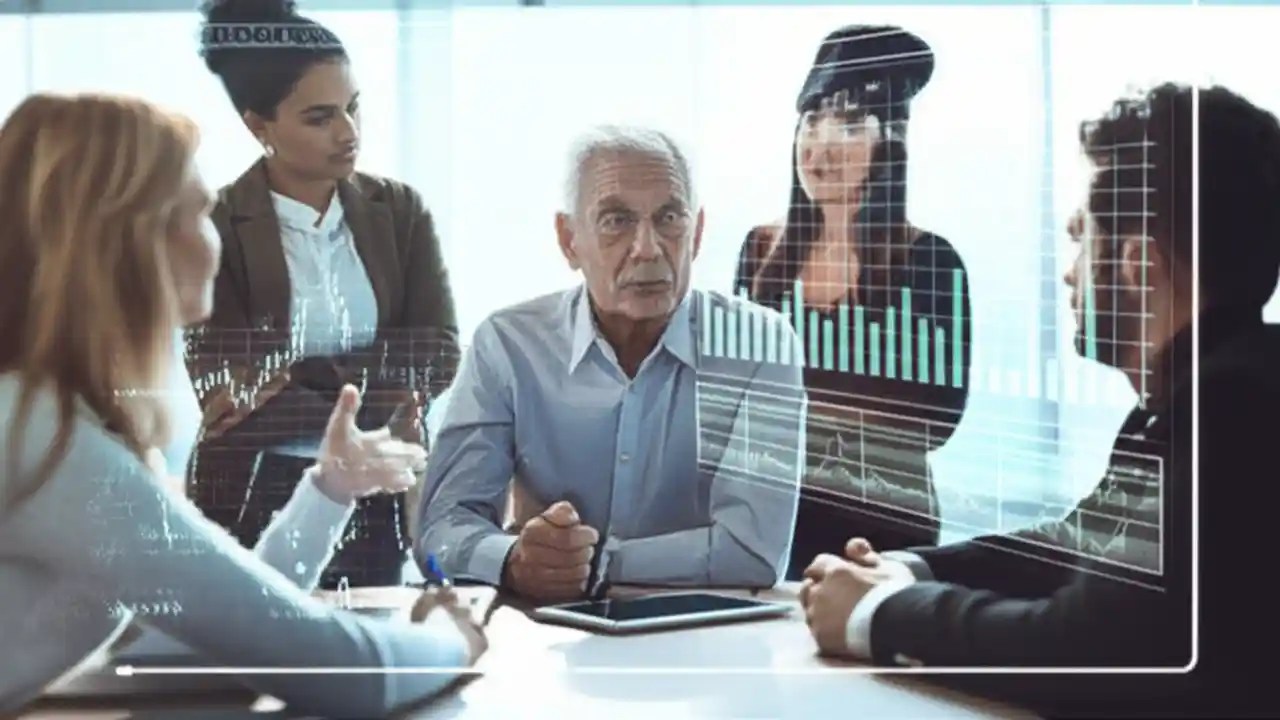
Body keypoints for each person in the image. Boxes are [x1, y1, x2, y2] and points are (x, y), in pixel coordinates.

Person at [799, 82, 1280, 716]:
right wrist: (906, 569)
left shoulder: (1234, 404)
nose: (1069, 272)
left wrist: (877, 612)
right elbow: (1079, 542)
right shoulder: (1197, 394)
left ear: (1139, 262)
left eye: (1083, 240)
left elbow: (1091, 642)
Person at [0, 92, 485, 718]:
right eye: (200, 211)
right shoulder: (44, 437)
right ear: (130, 240)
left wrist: (329, 490)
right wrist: (454, 637)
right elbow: (341, 671)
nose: (220, 237)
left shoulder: (43, 421)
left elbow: (221, 635)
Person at [416, 126, 808, 602]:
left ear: (698, 232)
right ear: (569, 240)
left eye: (669, 218)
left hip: (704, 638)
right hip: (544, 641)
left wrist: (594, 562)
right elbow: (438, 531)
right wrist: (514, 560)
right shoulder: (509, 345)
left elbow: (755, 552)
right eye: (616, 220)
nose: (647, 248)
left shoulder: (759, 344)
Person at [189, 0, 460, 587]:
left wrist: (305, 377)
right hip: (255, 497)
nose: (349, 133)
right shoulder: (210, 226)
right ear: (258, 126)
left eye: (353, 107)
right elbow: (228, 398)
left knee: (366, 656)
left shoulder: (400, 211)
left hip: (380, 492)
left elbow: (438, 352)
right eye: (320, 117)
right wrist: (375, 387)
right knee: (255, 663)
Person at [735, 25, 973, 576]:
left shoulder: (932, 261)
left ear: (889, 143)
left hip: (885, 526)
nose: (821, 145)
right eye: (811, 120)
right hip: (771, 517)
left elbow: (937, 419)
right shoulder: (760, 252)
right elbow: (735, 397)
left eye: (847, 124)